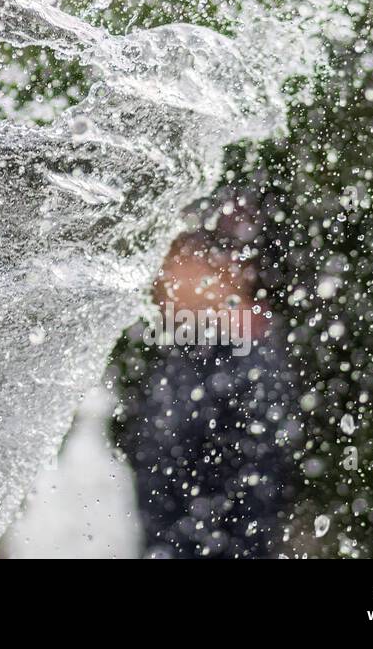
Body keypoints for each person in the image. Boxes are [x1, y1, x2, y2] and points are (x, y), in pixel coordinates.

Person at [119, 195, 299, 558]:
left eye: (175, 257)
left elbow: (246, 506)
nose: (162, 275)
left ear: (221, 268)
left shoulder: (240, 365)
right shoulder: (195, 351)